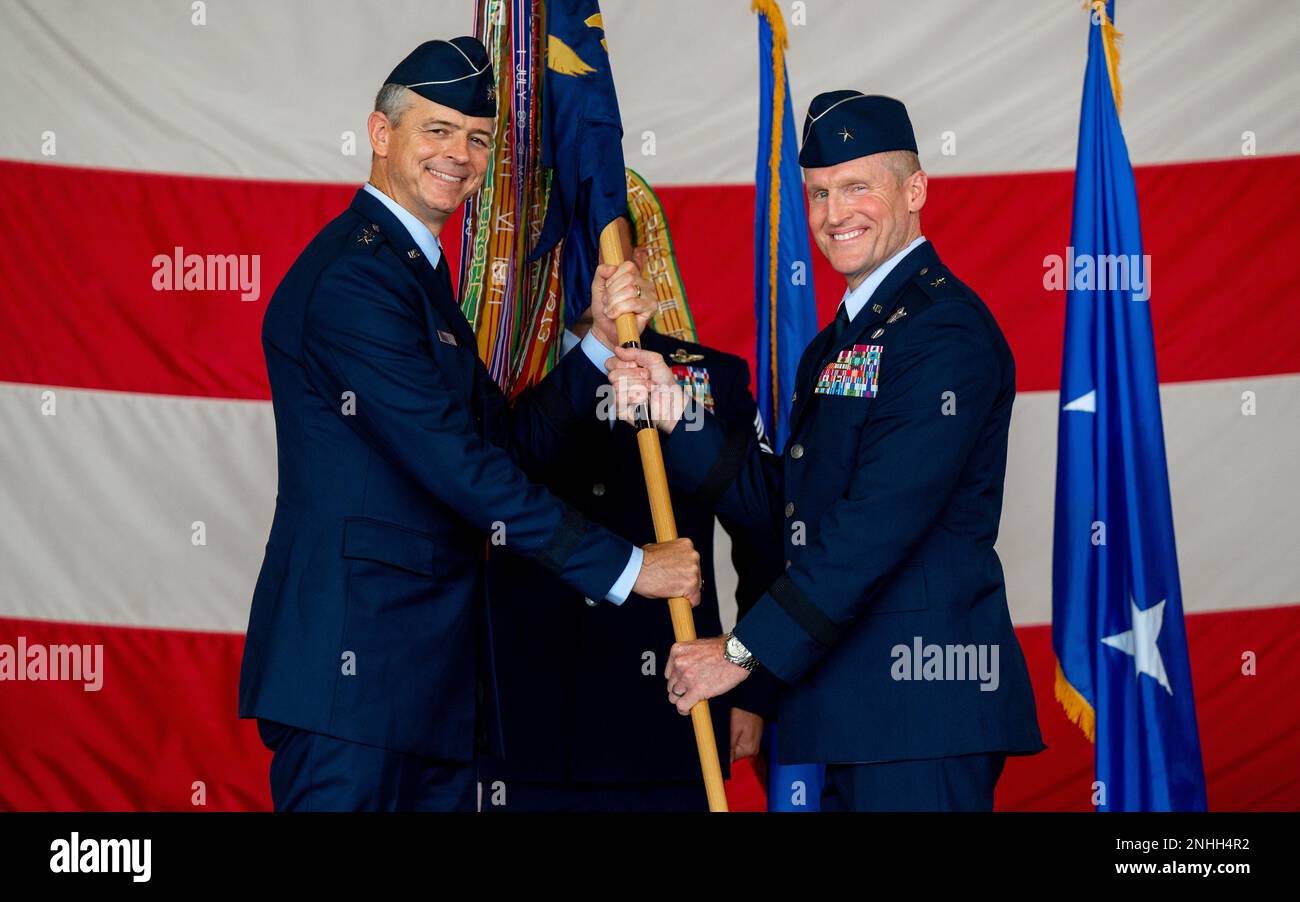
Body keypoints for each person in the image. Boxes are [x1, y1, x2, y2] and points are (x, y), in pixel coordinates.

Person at [237, 37, 701, 812]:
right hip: (354, 687)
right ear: (380, 133)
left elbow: (504, 445)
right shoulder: (356, 279)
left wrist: (594, 341)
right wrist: (627, 568)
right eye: (438, 130)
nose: (459, 154)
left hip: (428, 691)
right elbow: (460, 468)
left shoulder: (412, 274)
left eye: (478, 138)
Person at [606, 91, 1044, 812]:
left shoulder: (944, 333)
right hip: (852, 708)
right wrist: (675, 409)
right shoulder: (836, 344)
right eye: (818, 193)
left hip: (920, 711)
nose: (835, 213)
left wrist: (741, 652)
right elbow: (788, 511)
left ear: (915, 191)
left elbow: (873, 528)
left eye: (857, 187)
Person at [480, 250, 779, 811]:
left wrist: (753, 685)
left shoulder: (709, 375)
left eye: (598, 252)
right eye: (564, 251)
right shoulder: (502, 372)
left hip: (666, 713)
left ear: (634, 260)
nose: (581, 270)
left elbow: (762, 535)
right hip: (529, 715)